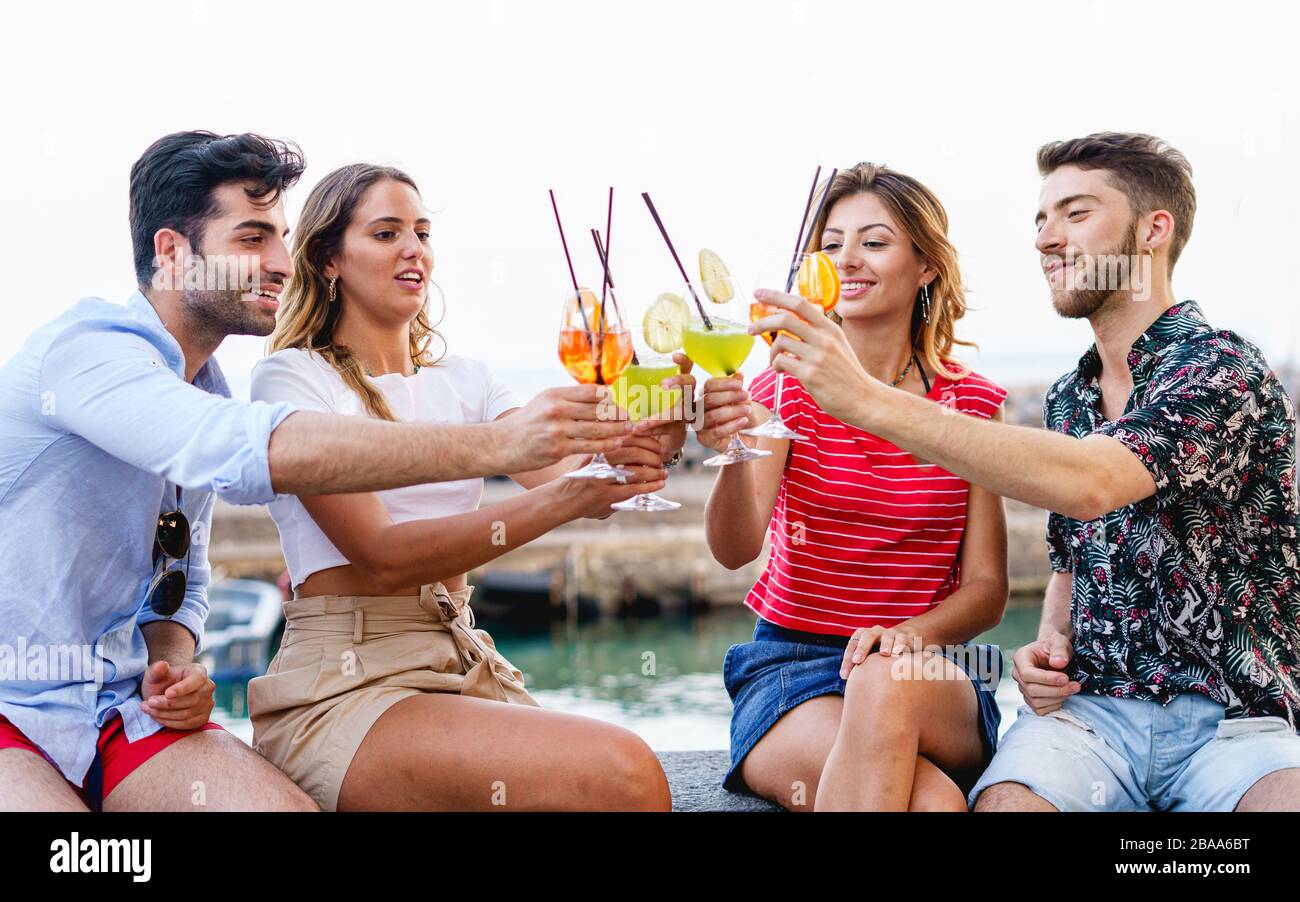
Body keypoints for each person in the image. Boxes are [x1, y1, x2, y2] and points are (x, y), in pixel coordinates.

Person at [0, 131, 637, 812]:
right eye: (252, 239)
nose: (280, 261)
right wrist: (506, 445)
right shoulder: (91, 356)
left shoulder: (202, 390)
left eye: (280, 236)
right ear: (173, 253)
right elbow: (258, 451)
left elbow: (179, 585)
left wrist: (174, 666)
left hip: (120, 713)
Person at [750, 132, 1300, 812]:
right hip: (1088, 722)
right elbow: (1071, 564)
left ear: (1154, 230)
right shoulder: (1071, 397)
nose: (1045, 237)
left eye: (1075, 213)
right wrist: (1047, 649)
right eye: (1041, 219)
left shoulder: (1222, 371)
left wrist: (863, 398)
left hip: (1235, 725)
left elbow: (1095, 480)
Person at [247, 162, 680, 811]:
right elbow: (384, 555)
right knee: (623, 773)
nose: (414, 248)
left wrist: (664, 422)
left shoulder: (468, 379)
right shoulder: (292, 381)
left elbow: (587, 480)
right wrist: (571, 498)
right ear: (329, 258)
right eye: (387, 233)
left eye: (421, 232)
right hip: (344, 687)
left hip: (459, 662)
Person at [697, 163, 1009, 811]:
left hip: (928, 670)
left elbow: (986, 590)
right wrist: (732, 447)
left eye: (874, 241)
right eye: (832, 244)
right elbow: (733, 549)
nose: (848, 260)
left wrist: (908, 637)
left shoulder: (972, 405)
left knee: (884, 678)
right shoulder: (784, 388)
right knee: (934, 806)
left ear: (926, 265)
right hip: (793, 671)